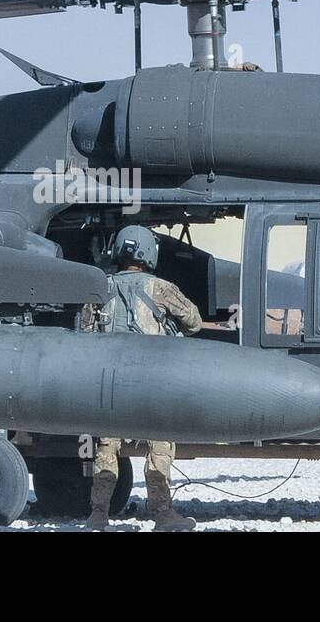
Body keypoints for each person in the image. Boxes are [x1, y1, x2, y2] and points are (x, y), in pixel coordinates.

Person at [88, 225, 202, 531]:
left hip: (109, 384)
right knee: (160, 445)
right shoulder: (161, 289)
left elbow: (84, 333)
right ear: (148, 253)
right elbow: (194, 321)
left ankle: (98, 516)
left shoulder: (100, 287)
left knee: (106, 447)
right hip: (151, 383)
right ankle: (163, 514)